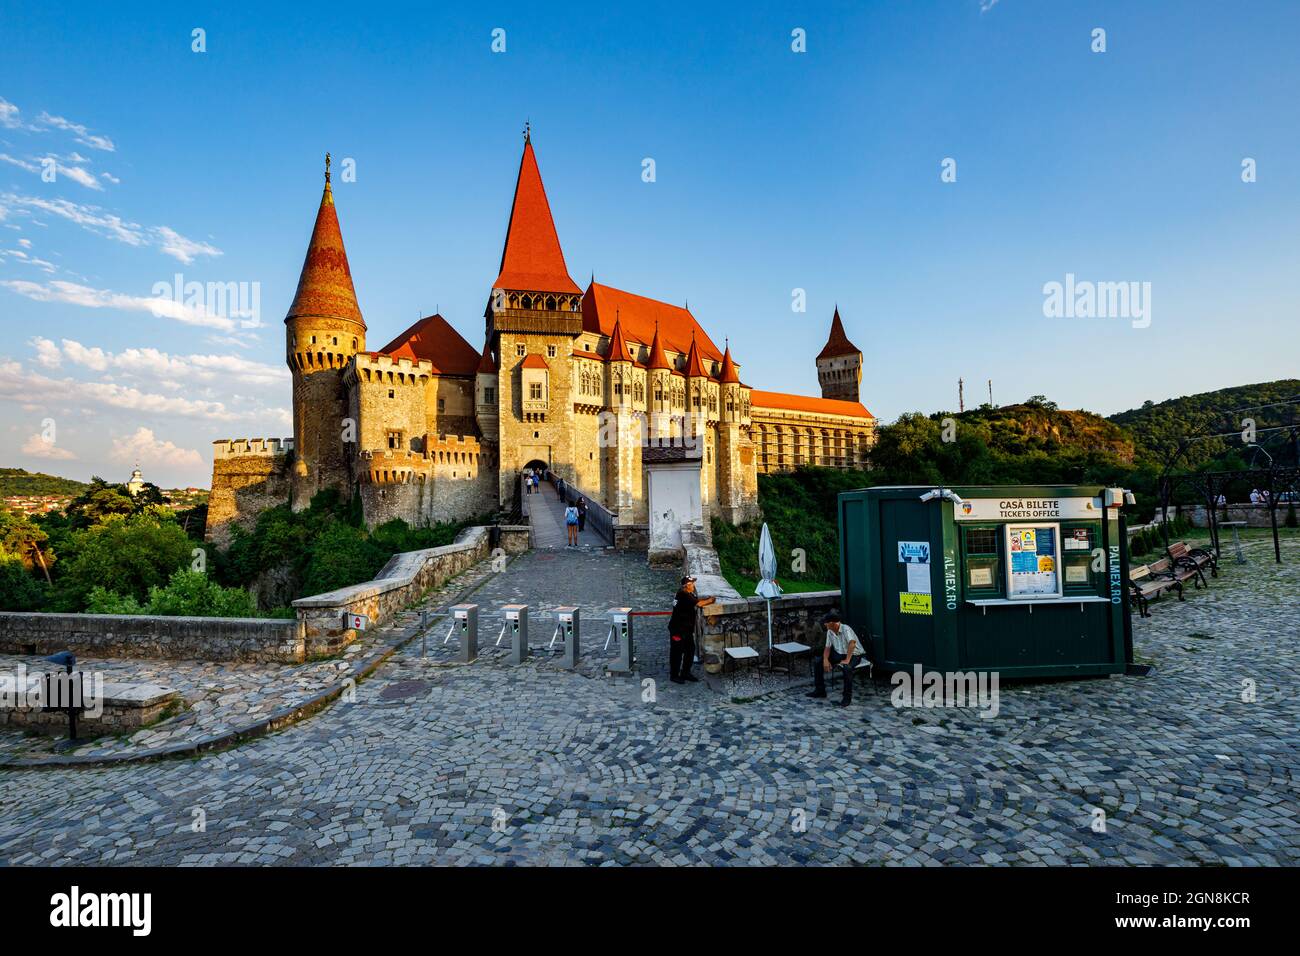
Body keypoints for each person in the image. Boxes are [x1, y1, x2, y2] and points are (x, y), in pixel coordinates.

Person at [808, 609, 863, 706]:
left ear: (832, 623)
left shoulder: (846, 629)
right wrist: (825, 659)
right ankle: (820, 690)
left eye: (826, 623)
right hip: (840, 653)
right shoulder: (830, 631)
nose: (824, 624)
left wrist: (847, 660)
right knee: (818, 661)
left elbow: (852, 644)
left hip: (854, 654)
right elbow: (827, 647)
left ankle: (847, 697)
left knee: (847, 668)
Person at [668, 575, 715, 683]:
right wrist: (711, 600)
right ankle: (674, 675)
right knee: (677, 652)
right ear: (687, 585)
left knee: (690, 650)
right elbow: (699, 603)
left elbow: (695, 600)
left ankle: (685, 672)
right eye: (692, 583)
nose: (694, 585)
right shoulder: (683, 594)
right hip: (678, 630)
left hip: (686, 629)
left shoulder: (687, 593)